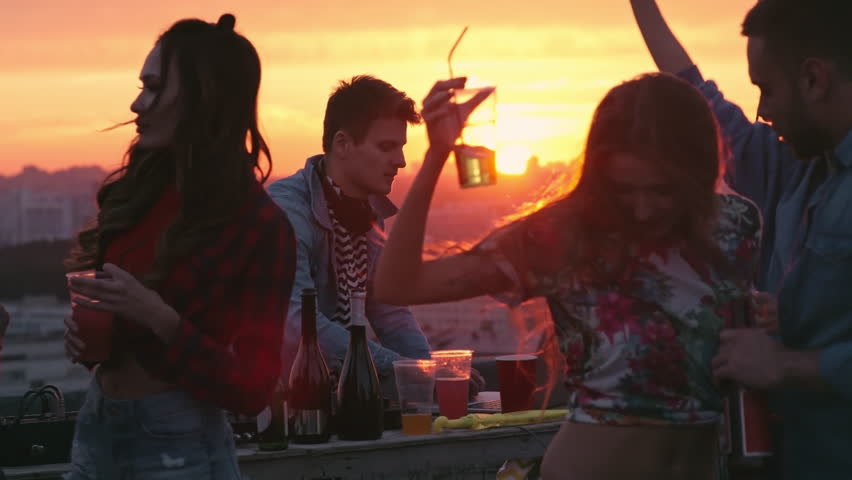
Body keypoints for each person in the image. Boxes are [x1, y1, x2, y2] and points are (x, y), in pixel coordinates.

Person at [375, 74, 762, 479]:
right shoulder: (563, 236)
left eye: (662, 190)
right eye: (624, 190)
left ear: (695, 173)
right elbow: (398, 285)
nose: (644, 208)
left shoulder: (736, 227)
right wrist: (437, 154)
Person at [62, 14, 296, 479]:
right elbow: (119, 329)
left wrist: (159, 318)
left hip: (177, 440)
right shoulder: (136, 194)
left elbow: (253, 388)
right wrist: (91, 341)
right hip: (96, 424)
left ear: (202, 96)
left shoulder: (259, 225)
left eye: (152, 87)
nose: (136, 103)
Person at [631, 1, 852, 477]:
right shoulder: (801, 167)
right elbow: (696, 94)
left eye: (766, 90)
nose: (761, 110)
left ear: (814, 79)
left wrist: (787, 364)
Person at [267, 75, 484, 395]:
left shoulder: (365, 213)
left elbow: (389, 311)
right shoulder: (288, 214)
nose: (400, 161)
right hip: (280, 406)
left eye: (401, 147)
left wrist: (430, 373)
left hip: (332, 395)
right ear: (342, 144)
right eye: (386, 147)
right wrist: (413, 372)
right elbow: (299, 326)